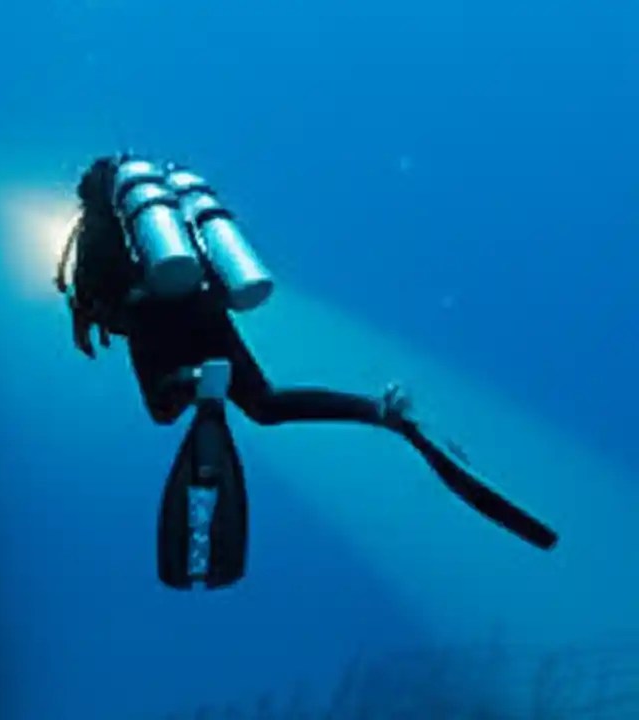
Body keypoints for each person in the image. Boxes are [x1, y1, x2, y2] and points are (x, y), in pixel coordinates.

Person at [54, 153, 558, 590]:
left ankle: (198, 386)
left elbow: (99, 300)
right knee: (267, 404)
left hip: (152, 320)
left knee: (165, 409)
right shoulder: (169, 219)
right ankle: (379, 411)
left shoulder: (98, 228)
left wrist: (103, 319)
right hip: (208, 308)